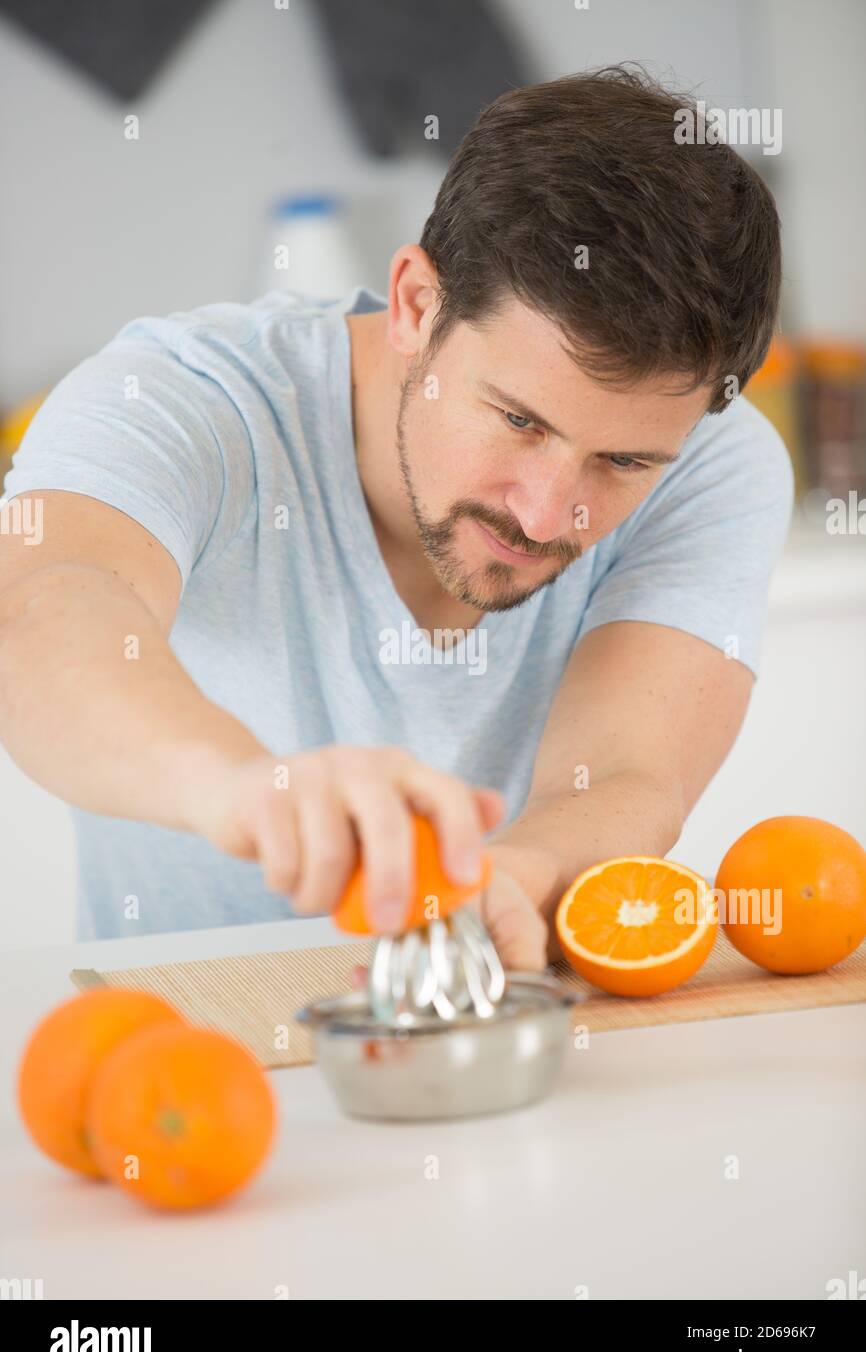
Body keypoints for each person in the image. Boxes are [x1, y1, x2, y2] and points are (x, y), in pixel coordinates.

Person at [0, 67, 792, 967]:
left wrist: (508, 882)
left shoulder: (717, 460)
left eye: (623, 462)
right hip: (170, 1044)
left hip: (495, 1025)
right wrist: (245, 788)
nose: (544, 515)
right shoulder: (185, 396)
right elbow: (41, 612)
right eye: (519, 420)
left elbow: (627, 773)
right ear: (417, 304)